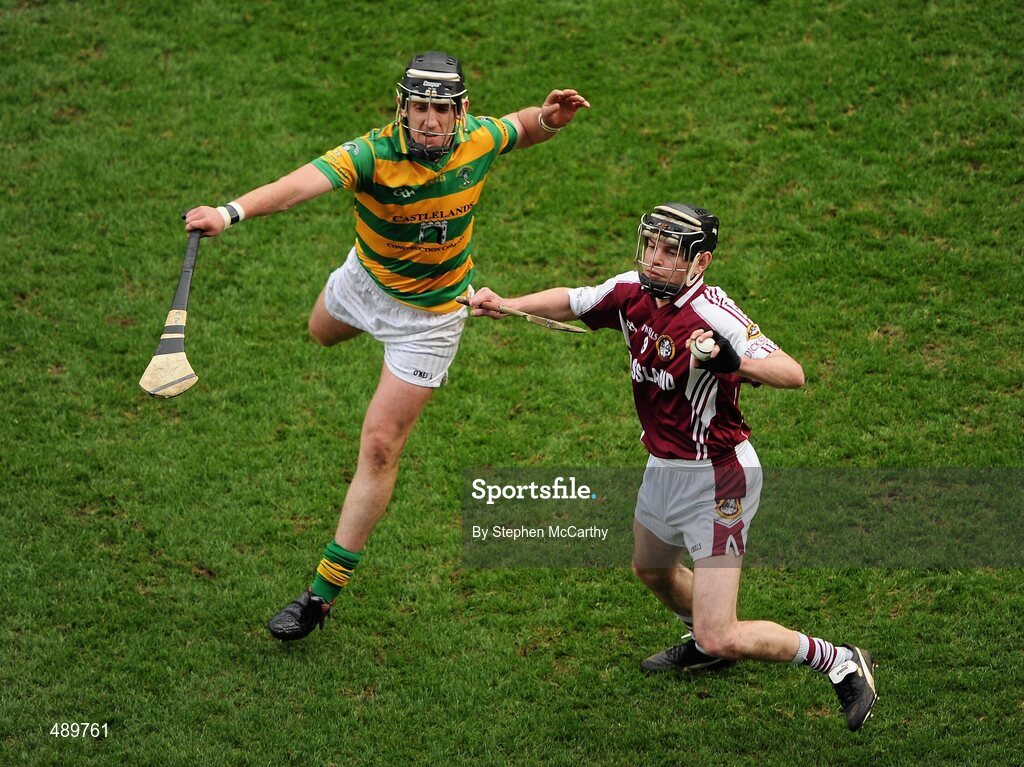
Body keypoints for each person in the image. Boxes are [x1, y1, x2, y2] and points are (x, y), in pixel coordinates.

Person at [183, 51, 589, 641]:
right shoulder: (370, 153)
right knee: (319, 333)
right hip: (363, 283)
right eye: (417, 107)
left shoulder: (478, 137)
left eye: (439, 110)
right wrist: (230, 212)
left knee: (379, 447)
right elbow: (299, 186)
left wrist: (550, 119)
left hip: (429, 321)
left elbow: (520, 128)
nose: (427, 120)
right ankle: (354, 323)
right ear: (401, 107)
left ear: (461, 112)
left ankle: (320, 595)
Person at [467, 202, 878, 731]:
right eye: (651, 246)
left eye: (669, 251)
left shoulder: (715, 315)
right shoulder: (631, 292)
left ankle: (838, 659)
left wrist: (735, 363)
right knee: (652, 569)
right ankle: (707, 644)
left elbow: (792, 373)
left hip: (718, 477)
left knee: (720, 630)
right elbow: (572, 301)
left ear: (699, 261)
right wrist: (507, 303)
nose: (654, 259)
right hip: (662, 467)